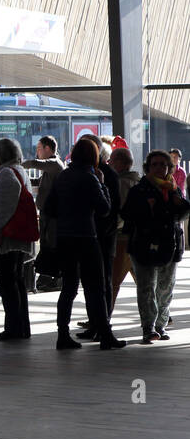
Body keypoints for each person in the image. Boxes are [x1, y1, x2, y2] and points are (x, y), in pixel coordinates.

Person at [41, 137, 123, 349]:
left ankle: (63, 335)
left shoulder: (63, 176)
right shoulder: (91, 177)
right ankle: (105, 335)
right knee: (95, 288)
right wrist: (102, 185)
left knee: (68, 288)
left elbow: (49, 208)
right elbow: (104, 209)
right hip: (87, 237)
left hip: (65, 239)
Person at [121, 149, 189, 343]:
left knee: (166, 288)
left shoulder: (173, 189)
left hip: (170, 244)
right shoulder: (139, 189)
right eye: (155, 164)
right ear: (148, 168)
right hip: (144, 244)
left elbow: (182, 214)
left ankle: (161, 324)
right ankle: (148, 327)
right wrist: (148, 208)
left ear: (169, 168)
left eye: (163, 164)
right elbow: (127, 214)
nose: (159, 168)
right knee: (146, 287)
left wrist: (179, 204)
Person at [0, 138, 36, 341]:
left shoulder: (7, 174)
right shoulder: (19, 170)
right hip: (18, 235)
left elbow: (6, 207)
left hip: (9, 236)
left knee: (7, 282)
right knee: (16, 281)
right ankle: (21, 326)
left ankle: (13, 328)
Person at [74, 135, 122, 339]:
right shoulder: (96, 173)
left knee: (102, 282)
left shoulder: (106, 175)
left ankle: (102, 325)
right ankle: (96, 324)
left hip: (100, 237)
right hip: (95, 236)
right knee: (93, 282)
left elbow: (110, 209)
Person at [24, 135, 64, 290]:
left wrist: (17, 165)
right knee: (47, 244)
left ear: (48, 149)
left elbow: (34, 163)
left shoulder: (54, 163)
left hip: (53, 214)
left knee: (51, 245)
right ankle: (48, 276)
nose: (37, 152)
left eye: (39, 149)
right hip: (48, 213)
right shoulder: (50, 169)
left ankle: (54, 277)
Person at [109, 146, 141, 307]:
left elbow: (119, 213)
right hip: (138, 236)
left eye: (112, 160)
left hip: (122, 237)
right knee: (141, 279)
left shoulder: (121, 183)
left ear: (120, 163)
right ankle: (162, 314)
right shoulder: (137, 180)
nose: (109, 163)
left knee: (113, 280)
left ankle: (104, 317)